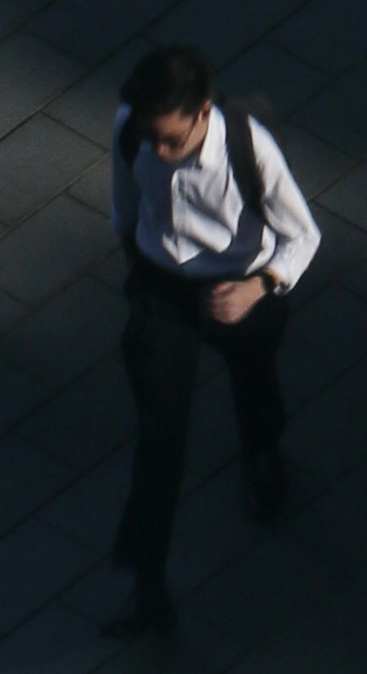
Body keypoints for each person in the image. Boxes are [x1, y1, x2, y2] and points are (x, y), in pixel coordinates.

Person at [104, 43, 319, 639]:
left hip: (238, 285)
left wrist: (261, 285)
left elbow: (302, 236)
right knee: (158, 438)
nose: (162, 152)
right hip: (162, 288)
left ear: (202, 112)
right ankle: (148, 587)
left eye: (172, 140)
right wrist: (139, 276)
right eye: (154, 140)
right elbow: (125, 206)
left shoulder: (250, 150)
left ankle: (261, 451)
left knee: (254, 377)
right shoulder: (133, 129)